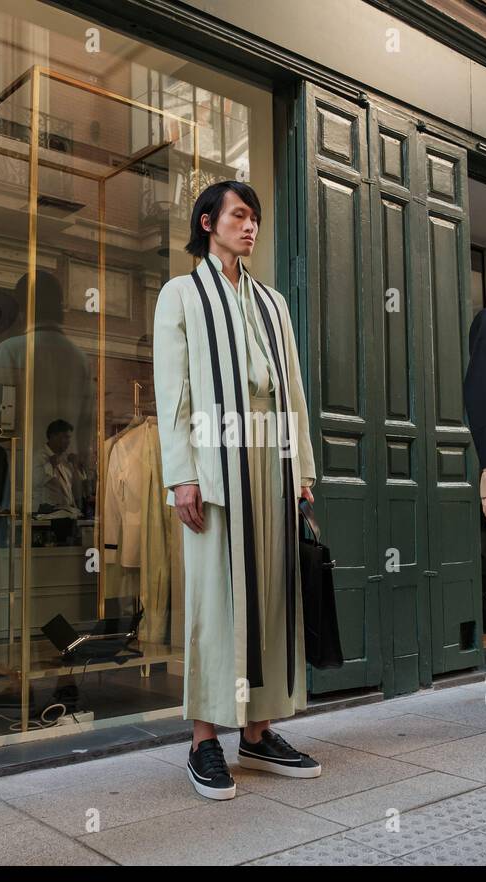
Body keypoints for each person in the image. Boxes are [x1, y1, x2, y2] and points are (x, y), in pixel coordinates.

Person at [153, 181, 320, 799]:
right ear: (208, 222)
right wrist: (183, 477)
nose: (250, 227)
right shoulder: (181, 295)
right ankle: (203, 741)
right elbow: (174, 395)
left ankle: (257, 731)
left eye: (255, 218)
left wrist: (302, 470)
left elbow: (294, 393)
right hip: (214, 464)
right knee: (214, 600)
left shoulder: (273, 303)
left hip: (271, 462)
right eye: (239, 216)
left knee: (272, 597)